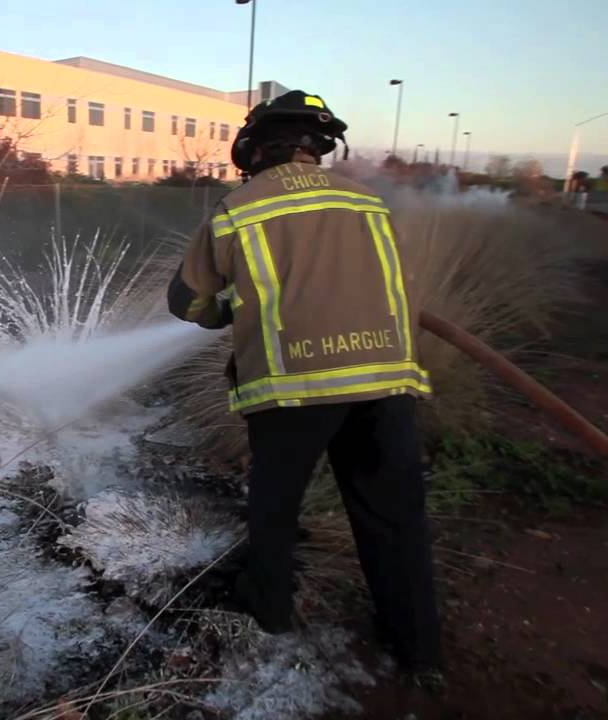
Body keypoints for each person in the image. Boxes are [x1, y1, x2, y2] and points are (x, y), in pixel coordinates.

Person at [166, 90, 443, 686]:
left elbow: (187, 301)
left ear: (253, 147)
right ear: (318, 147)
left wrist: (226, 310)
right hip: (383, 380)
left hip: (293, 386)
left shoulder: (238, 208)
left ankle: (268, 609)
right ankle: (418, 646)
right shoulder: (368, 202)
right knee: (394, 517)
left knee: (276, 506)